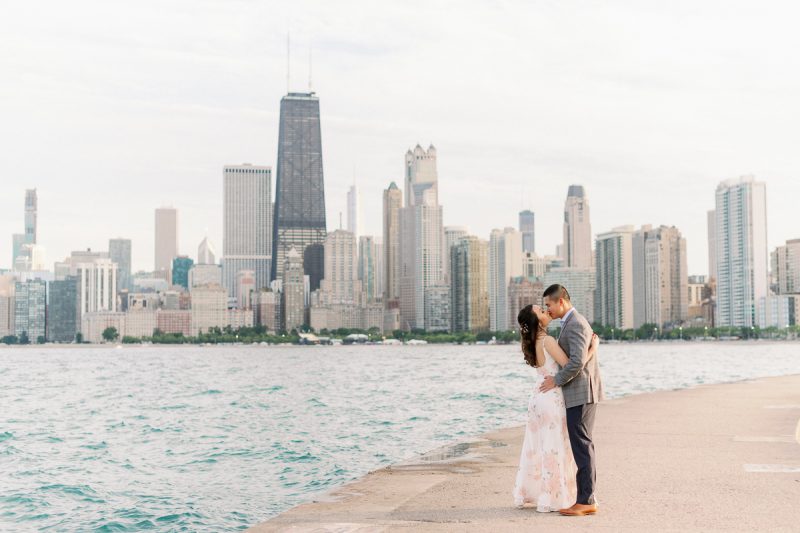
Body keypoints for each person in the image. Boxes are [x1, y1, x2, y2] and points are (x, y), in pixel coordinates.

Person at [513, 303, 599, 512]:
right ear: (537, 321)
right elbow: (572, 366)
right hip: (551, 398)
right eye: (541, 311)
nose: (545, 311)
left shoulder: (530, 342)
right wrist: (592, 349)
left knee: (539, 446)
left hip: (537, 398)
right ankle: (554, 496)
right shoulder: (548, 341)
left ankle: (538, 492)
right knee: (556, 447)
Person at [539, 284, 605, 516]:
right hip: (580, 392)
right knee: (582, 445)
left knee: (582, 446)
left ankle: (586, 500)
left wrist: (556, 380)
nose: (548, 309)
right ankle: (588, 497)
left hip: (582, 392)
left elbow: (576, 362)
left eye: (549, 304)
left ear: (561, 301)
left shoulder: (575, 323)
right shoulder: (571, 322)